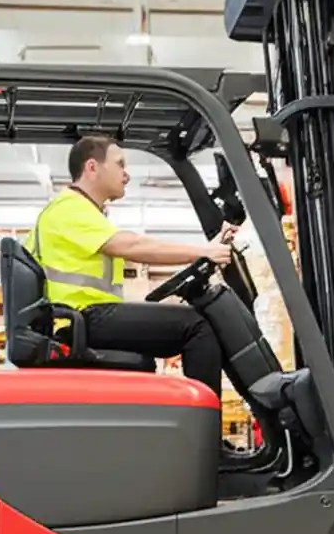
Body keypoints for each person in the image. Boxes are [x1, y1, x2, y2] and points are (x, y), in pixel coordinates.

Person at [25, 135, 236, 396]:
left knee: (182, 326)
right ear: (92, 168)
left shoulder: (75, 210)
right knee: (196, 326)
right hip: (82, 319)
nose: (126, 174)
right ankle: (206, 430)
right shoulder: (69, 208)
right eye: (120, 164)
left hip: (83, 318)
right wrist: (204, 252)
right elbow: (133, 246)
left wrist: (205, 252)